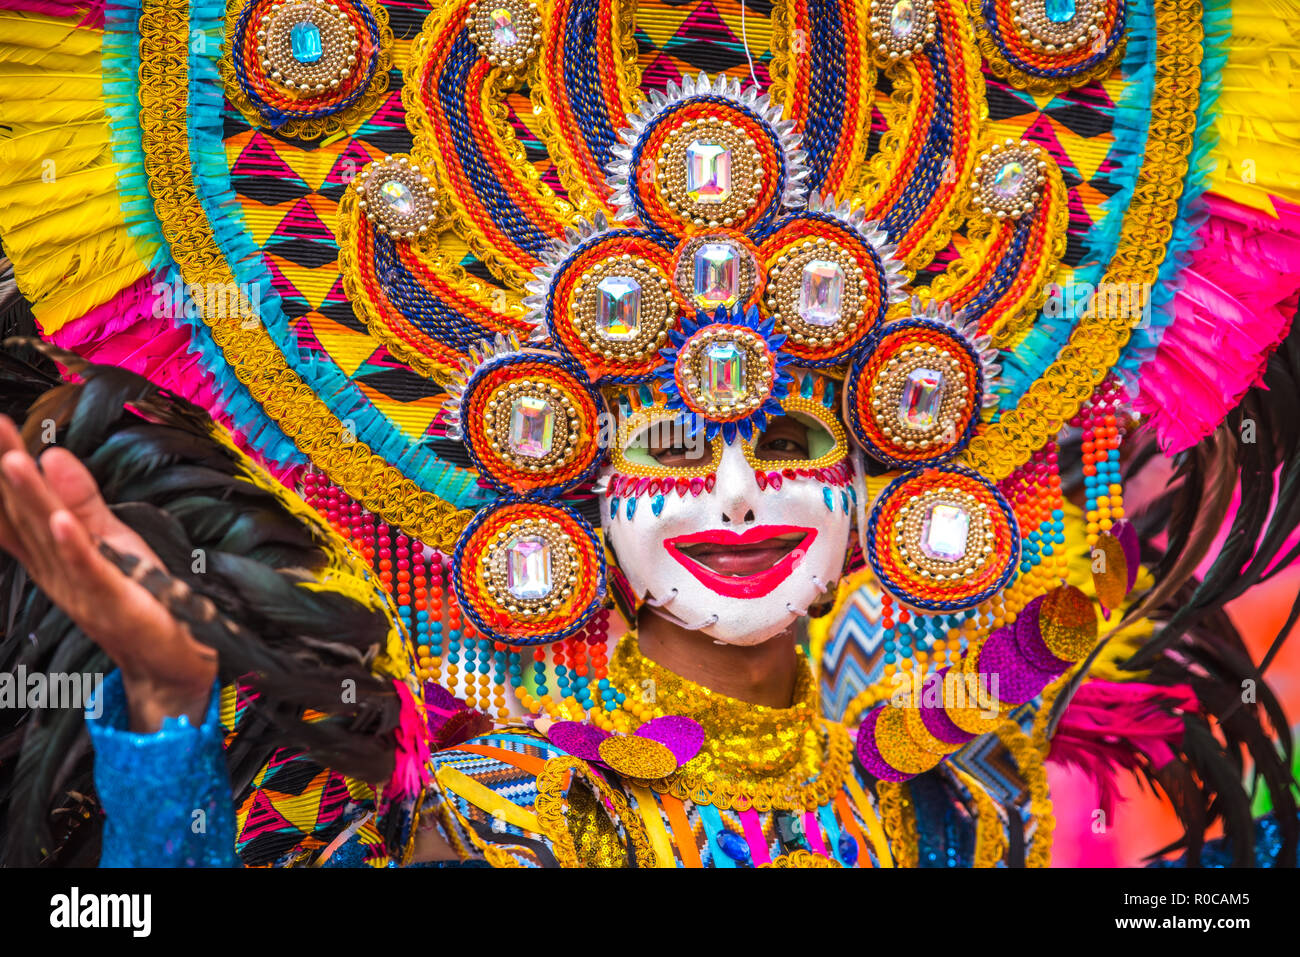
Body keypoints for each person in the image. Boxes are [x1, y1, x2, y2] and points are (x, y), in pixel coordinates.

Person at [0, 0, 1298, 868]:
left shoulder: (965, 787)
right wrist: (166, 702)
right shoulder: (511, 804)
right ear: (574, 496)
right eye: (673, 453)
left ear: (876, 479)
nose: (739, 497)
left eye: (786, 440)